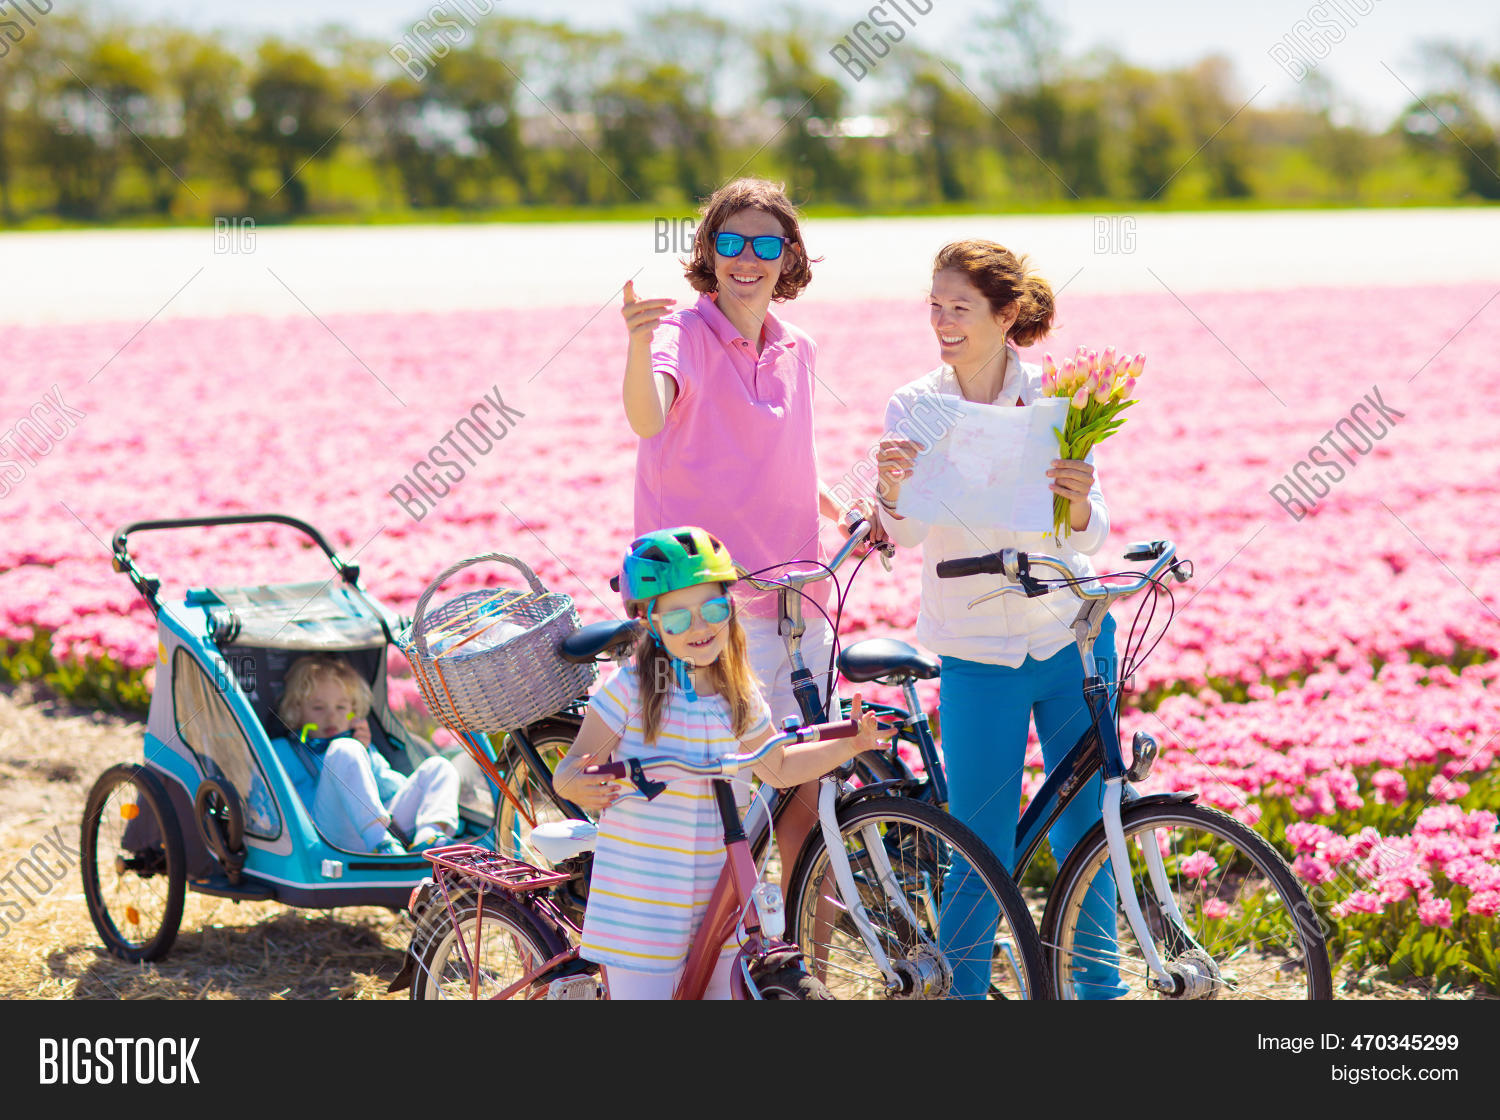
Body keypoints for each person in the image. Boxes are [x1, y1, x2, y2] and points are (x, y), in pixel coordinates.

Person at [875, 239, 1127, 999]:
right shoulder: (915, 404)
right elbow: (907, 535)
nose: (943, 322)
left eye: (960, 307)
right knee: (979, 840)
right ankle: (962, 995)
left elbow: (1091, 531)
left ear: (1005, 313)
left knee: (1087, 827)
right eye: (935, 306)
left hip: (1071, 635)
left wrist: (1080, 496)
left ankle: (1100, 993)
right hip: (977, 646)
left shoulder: (1057, 396)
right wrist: (892, 489)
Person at [619, 177, 877, 875]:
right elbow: (648, 419)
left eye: (767, 243)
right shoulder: (681, 333)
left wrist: (844, 512)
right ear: (708, 250)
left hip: (802, 605)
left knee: (812, 800)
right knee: (719, 808)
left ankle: (802, 971)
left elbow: (791, 462)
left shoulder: (799, 347)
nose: (747, 258)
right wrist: (638, 347)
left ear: (789, 256)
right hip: (711, 611)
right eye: (730, 241)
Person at [552, 527, 885, 1000]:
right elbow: (569, 770)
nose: (700, 627)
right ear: (649, 623)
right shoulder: (632, 690)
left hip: (719, 895)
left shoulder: (738, 692)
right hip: (643, 904)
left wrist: (849, 745)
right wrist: (578, 784)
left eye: (713, 609)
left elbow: (778, 767)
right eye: (678, 618)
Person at [248, 654, 461, 856]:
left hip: (382, 828)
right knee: (343, 750)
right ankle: (381, 842)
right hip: (327, 837)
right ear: (297, 710)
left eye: (341, 707)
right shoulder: (282, 751)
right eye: (318, 708)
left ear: (353, 712)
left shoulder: (357, 747)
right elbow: (265, 805)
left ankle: (430, 838)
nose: (331, 716)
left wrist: (366, 755)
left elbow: (392, 790)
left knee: (440, 766)